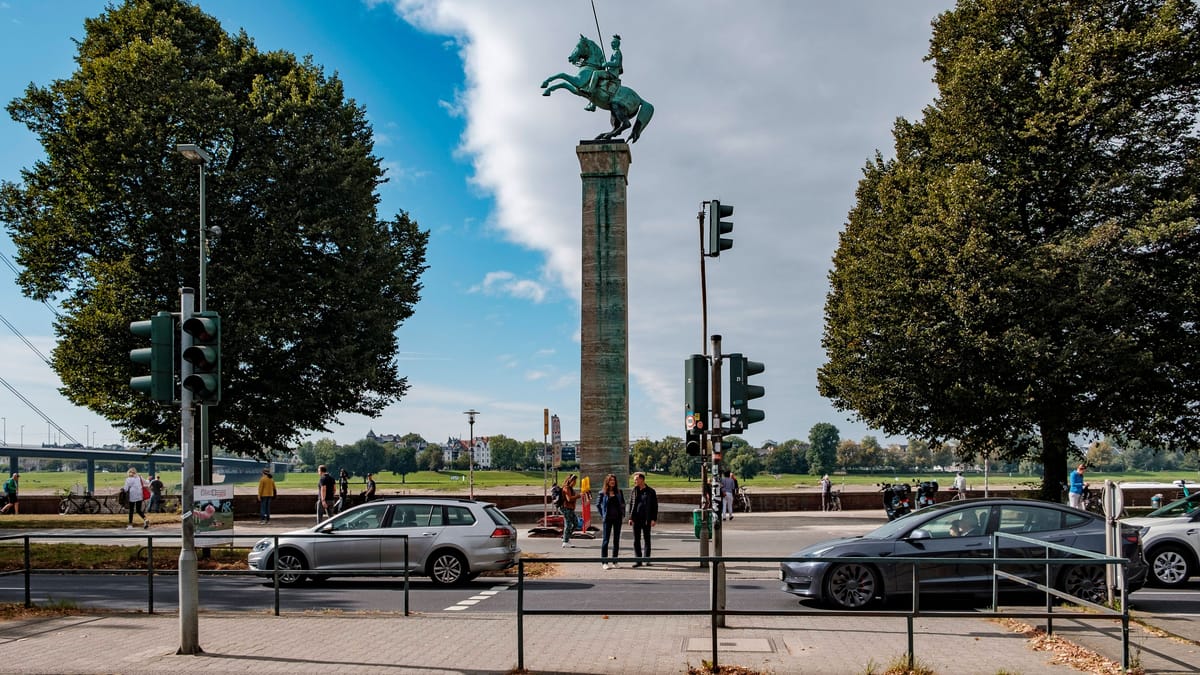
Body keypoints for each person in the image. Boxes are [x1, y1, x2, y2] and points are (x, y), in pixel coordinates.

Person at [584, 34, 623, 111]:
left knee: (596, 73)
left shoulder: (617, 52)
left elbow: (617, 63)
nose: (611, 44)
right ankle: (593, 103)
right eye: (611, 43)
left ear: (617, 43)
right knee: (598, 83)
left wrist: (607, 63)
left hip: (612, 74)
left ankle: (589, 91)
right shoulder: (615, 52)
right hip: (611, 73)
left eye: (613, 43)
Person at [628, 472, 658, 567]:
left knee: (647, 539)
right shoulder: (634, 490)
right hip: (636, 519)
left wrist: (653, 519)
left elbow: (655, 506)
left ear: (642, 479)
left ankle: (647, 559)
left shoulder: (651, 491)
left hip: (646, 519)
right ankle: (638, 560)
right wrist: (630, 517)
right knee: (636, 540)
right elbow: (631, 504)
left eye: (636, 479)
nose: (635, 481)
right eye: (634, 480)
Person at [598, 473, 625, 569]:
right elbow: (598, 505)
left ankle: (615, 561)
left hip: (617, 519)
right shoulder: (602, 493)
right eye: (610, 480)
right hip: (608, 519)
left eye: (613, 480)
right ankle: (604, 562)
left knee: (616, 540)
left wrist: (623, 514)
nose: (612, 482)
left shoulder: (619, 492)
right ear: (607, 482)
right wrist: (603, 515)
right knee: (606, 540)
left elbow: (623, 504)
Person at [559, 474, 579, 548]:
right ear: (570, 481)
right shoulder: (566, 488)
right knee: (568, 524)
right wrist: (578, 496)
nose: (575, 483)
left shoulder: (571, 488)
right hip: (566, 508)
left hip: (570, 509)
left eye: (575, 481)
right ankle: (565, 541)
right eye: (574, 481)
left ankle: (565, 537)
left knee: (576, 523)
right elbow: (569, 499)